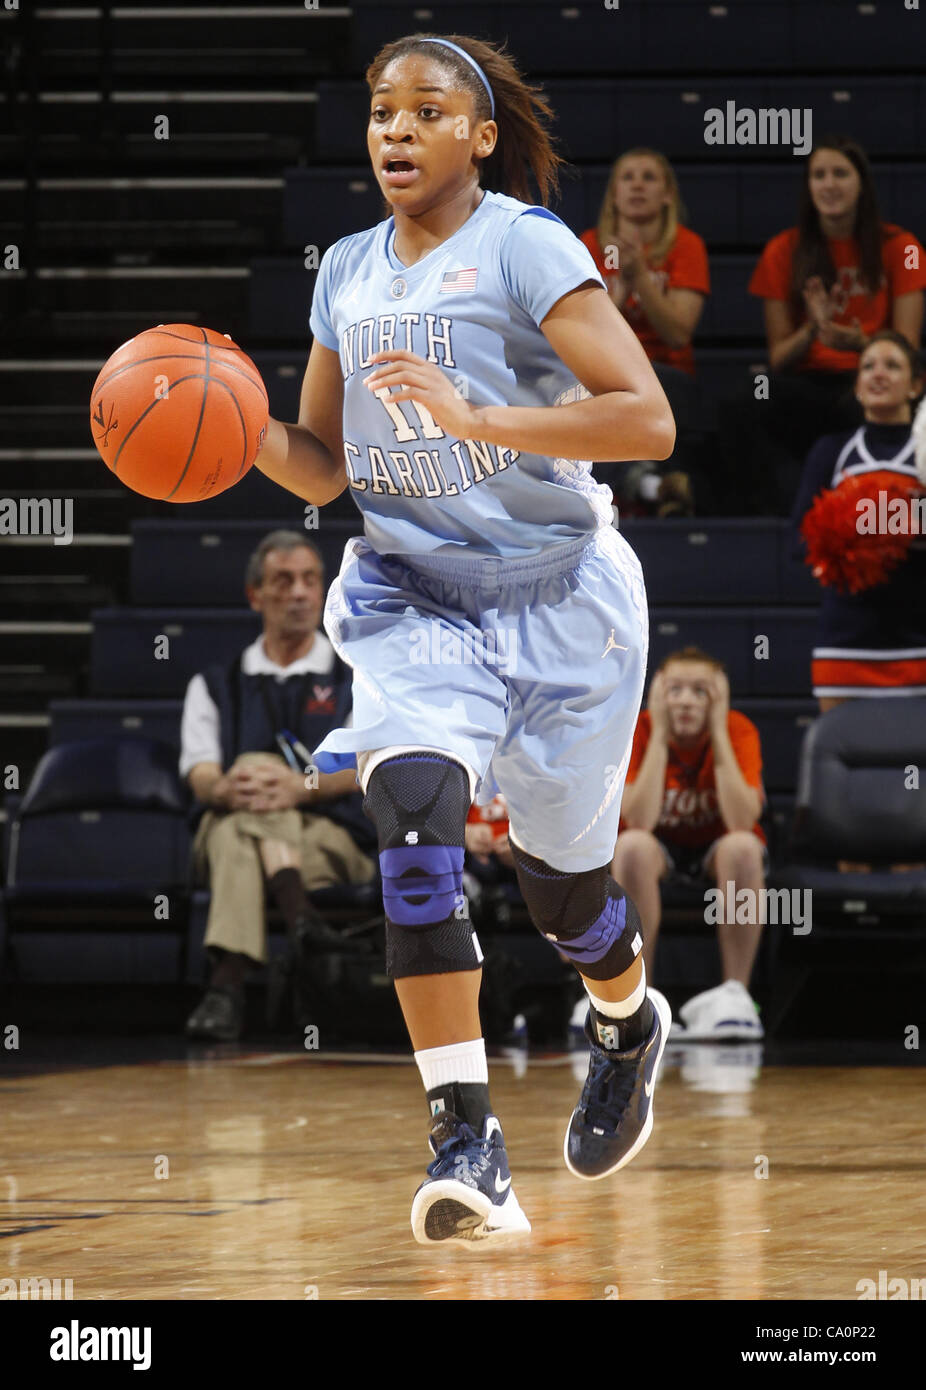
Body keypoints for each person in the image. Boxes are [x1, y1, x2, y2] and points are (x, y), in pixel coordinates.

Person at [252, 31, 676, 1245]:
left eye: (426, 110)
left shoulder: (527, 243)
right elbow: (323, 463)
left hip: (561, 599)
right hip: (412, 592)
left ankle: (625, 1018)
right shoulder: (343, 268)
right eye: (381, 109)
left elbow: (642, 421)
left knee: (563, 890)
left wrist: (479, 415)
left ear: (478, 137)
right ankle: (465, 1135)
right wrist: (234, 433)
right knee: (416, 818)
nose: (393, 129)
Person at [181, 531, 376, 1042]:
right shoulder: (214, 684)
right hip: (241, 824)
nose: (299, 593)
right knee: (240, 791)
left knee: (235, 838)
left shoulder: (354, 678)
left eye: (311, 580)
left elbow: (362, 767)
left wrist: (297, 786)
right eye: (283, 581)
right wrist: (234, 789)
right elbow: (201, 775)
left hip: (331, 839)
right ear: (256, 595)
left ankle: (225, 988)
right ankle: (302, 918)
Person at [718, 134, 926, 515]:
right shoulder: (784, 249)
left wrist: (860, 342)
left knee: (871, 404)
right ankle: (783, 518)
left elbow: (907, 348)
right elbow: (779, 357)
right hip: (807, 381)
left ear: (861, 184)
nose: (829, 184)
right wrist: (813, 328)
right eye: (819, 175)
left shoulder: (903, 247)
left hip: (865, 380)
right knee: (748, 399)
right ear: (809, 186)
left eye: (841, 174)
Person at [610, 647, 767, 1040]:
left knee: (744, 848)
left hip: (716, 846)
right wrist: (661, 737)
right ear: (656, 694)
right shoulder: (640, 728)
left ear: (720, 699)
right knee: (630, 846)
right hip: (657, 847)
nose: (685, 700)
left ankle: (736, 994)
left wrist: (718, 730)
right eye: (674, 689)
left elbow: (741, 820)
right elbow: (639, 819)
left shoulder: (738, 728)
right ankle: (637, 997)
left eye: (701, 691)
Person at [792, 331, 926, 711]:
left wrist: (891, 532)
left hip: (919, 636)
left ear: (916, 385)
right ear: (857, 386)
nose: (878, 374)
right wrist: (841, 541)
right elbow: (797, 542)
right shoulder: (832, 451)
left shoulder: (924, 451)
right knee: (842, 756)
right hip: (846, 640)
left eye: (892, 366)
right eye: (868, 366)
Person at [580, 148, 709, 514]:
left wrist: (641, 279)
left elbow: (678, 334)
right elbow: (583, 336)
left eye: (649, 178)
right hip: (605, 373)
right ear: (614, 194)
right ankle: (653, 486)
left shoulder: (686, 246)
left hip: (667, 374)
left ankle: (644, 487)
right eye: (628, 177)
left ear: (667, 194)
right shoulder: (588, 244)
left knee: (633, 395)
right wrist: (616, 300)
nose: (637, 185)